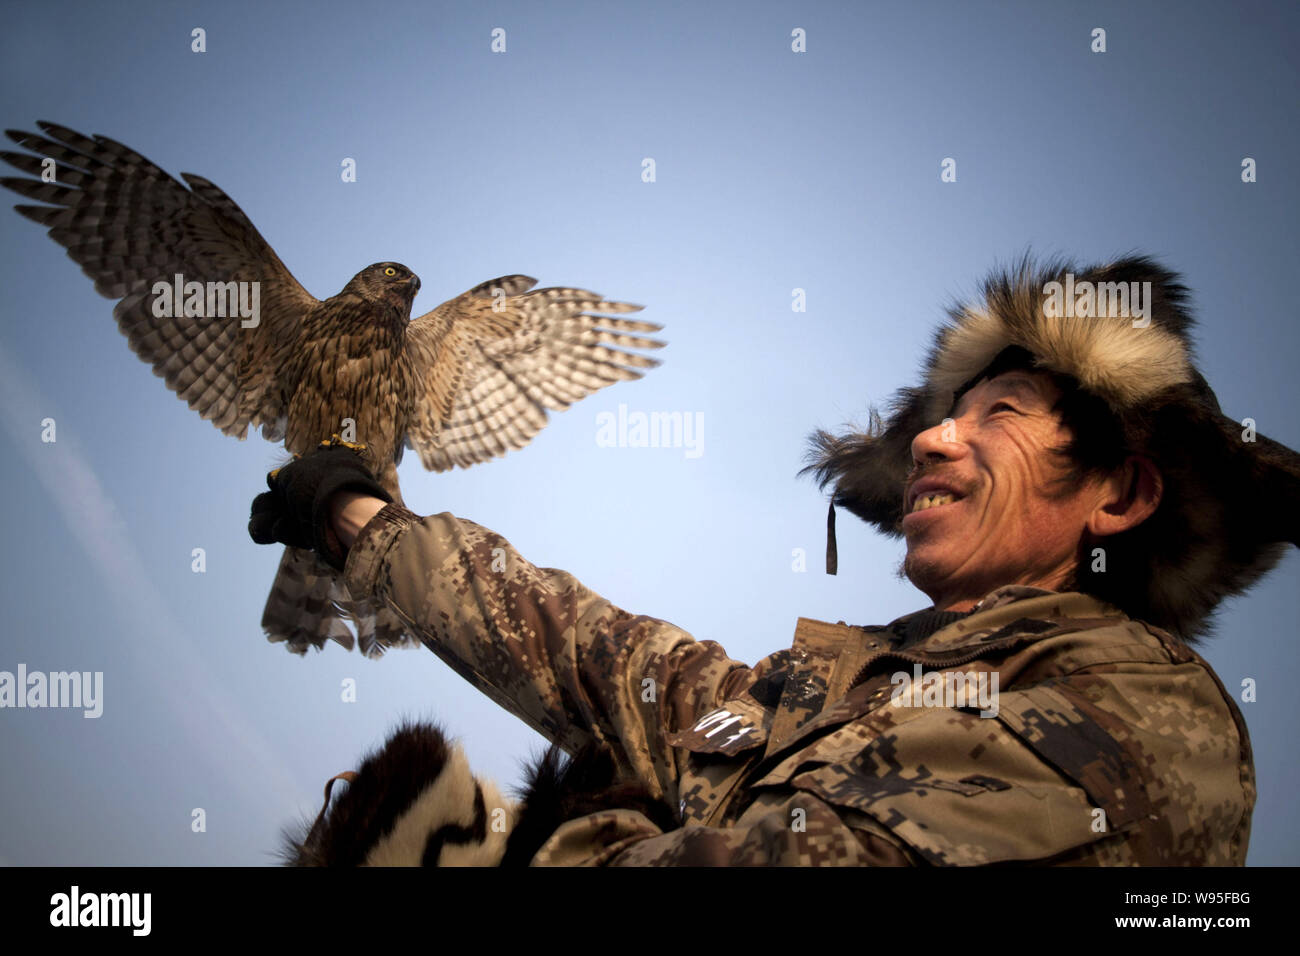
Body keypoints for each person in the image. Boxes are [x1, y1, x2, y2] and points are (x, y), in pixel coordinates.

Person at [252, 254, 1299, 866]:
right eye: (941, 417)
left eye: (1001, 414)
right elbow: (600, 656)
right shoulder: (826, 692)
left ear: (1119, 491)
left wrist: (533, 839)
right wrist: (360, 517)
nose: (935, 438)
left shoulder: (1148, 714)